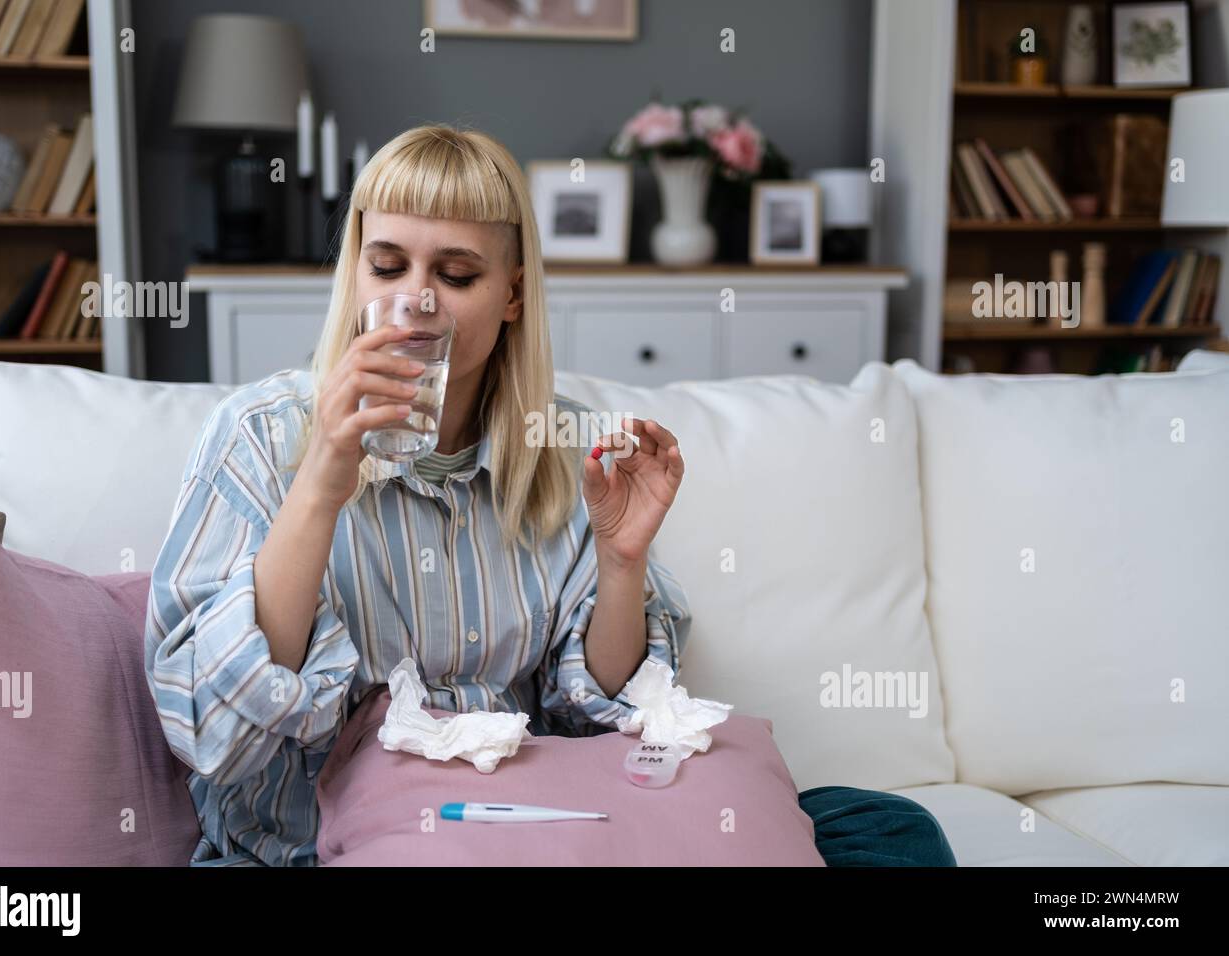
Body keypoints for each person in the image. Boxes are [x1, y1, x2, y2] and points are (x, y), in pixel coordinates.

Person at [144, 124, 956, 868]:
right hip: (310, 848)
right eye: (387, 266)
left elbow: (595, 720)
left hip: (521, 826)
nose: (417, 300)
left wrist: (622, 561)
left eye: (456, 274)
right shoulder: (258, 435)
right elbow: (213, 734)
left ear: (514, 296)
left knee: (890, 832)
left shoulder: (560, 447)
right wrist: (323, 479)